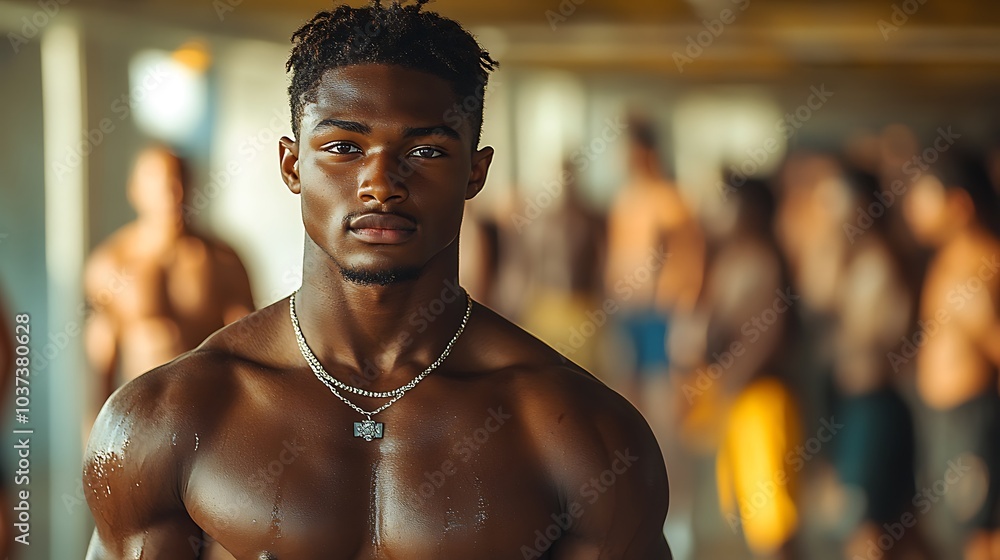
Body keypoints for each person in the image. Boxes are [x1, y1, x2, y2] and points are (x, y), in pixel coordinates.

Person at [82, 2, 670, 559]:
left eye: (427, 151)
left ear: (476, 171)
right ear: (292, 165)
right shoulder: (167, 418)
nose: (381, 183)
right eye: (343, 147)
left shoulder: (584, 434)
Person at [83, 145, 255, 427]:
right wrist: (92, 450)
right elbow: (100, 371)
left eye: (180, 182)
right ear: (135, 191)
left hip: (209, 419)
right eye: (161, 185)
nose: (173, 195)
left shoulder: (223, 261)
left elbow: (249, 355)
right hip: (139, 422)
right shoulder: (110, 265)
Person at [902, 153, 1000, 560]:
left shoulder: (984, 260)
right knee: (955, 529)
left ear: (959, 204)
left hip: (972, 418)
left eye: (925, 197)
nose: (913, 208)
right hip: (943, 418)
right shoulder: (947, 258)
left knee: (978, 531)